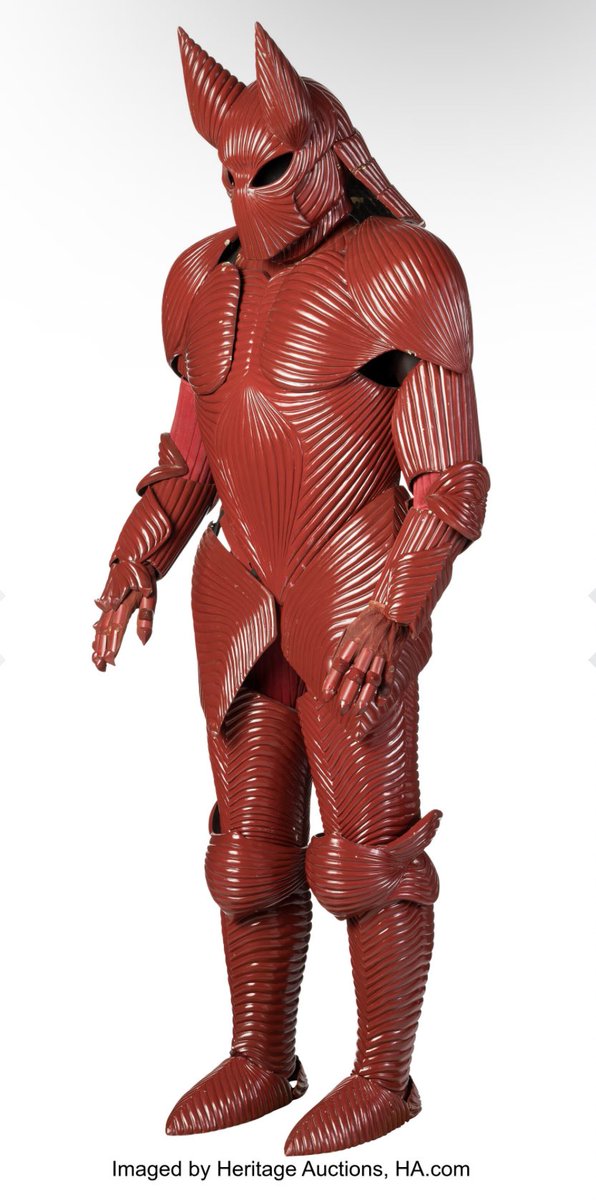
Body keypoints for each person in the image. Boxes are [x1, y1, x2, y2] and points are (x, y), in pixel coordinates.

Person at [92, 23, 490, 1155]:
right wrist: (135, 555)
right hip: (238, 587)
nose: (245, 194)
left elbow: (448, 480)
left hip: (355, 584)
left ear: (324, 155)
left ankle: (383, 1078)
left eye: (266, 169)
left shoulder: (406, 272)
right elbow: (193, 454)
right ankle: (260, 1056)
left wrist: (398, 606)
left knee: (367, 855)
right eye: (229, 173)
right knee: (248, 848)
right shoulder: (204, 281)